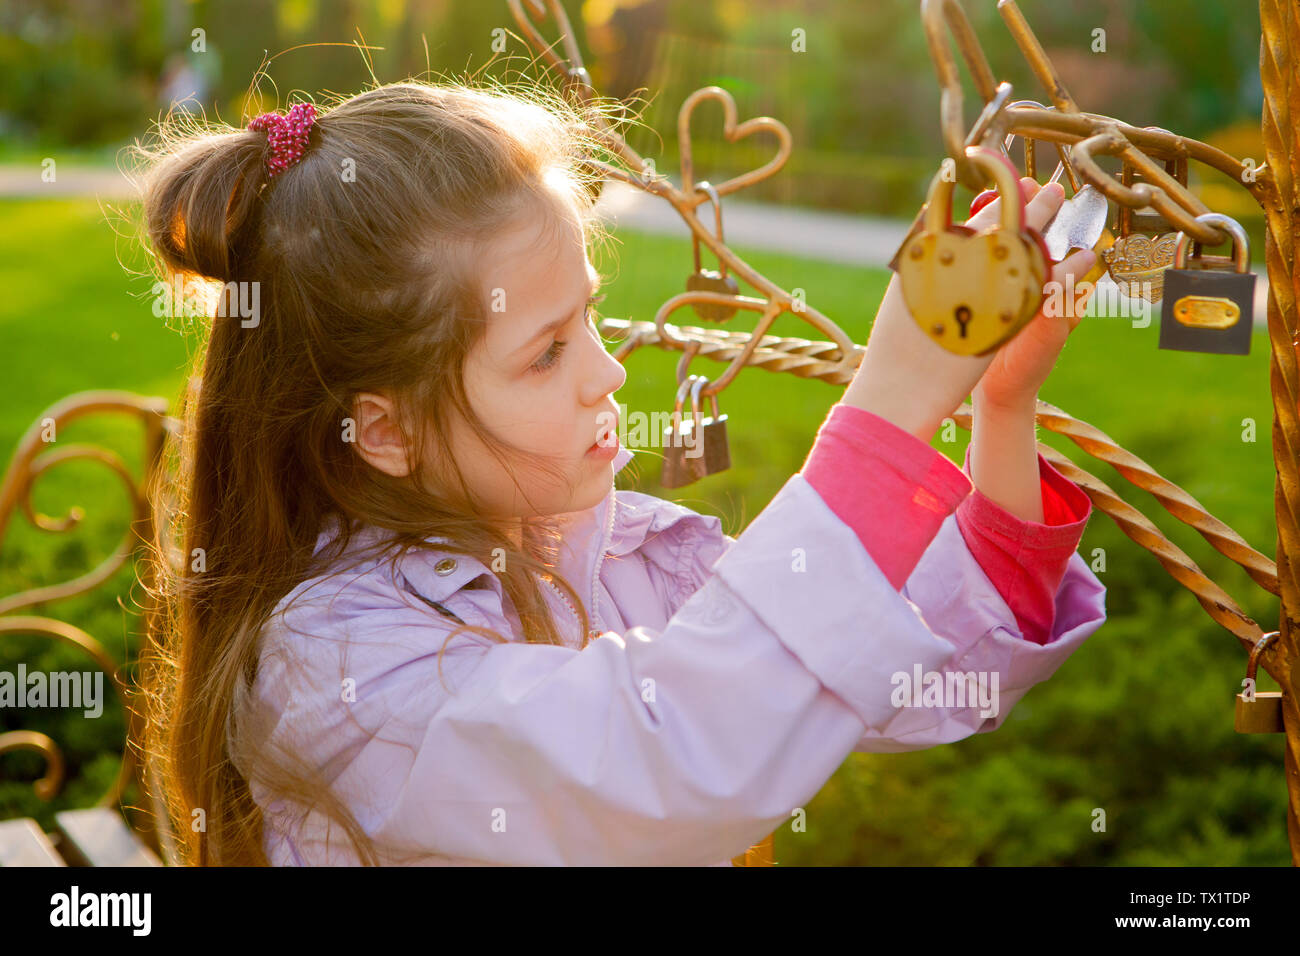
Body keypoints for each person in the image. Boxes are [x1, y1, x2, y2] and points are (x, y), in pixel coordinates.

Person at [127, 78, 1104, 866]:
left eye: (587, 317)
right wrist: (884, 409)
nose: (609, 371)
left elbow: (921, 671)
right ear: (383, 431)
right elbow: (666, 757)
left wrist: (1001, 407)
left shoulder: (621, 551)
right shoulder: (337, 669)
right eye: (546, 352)